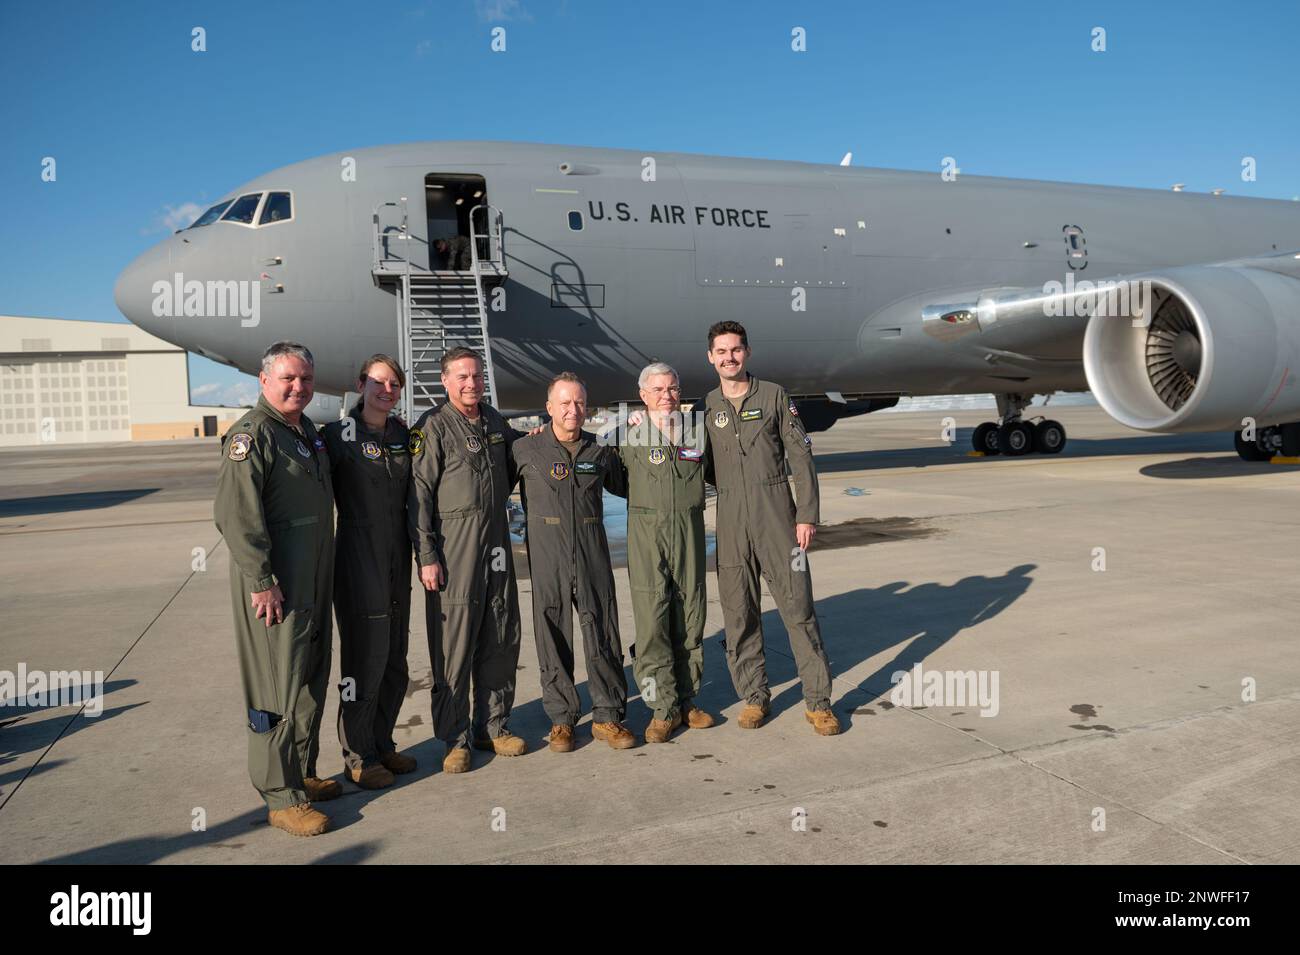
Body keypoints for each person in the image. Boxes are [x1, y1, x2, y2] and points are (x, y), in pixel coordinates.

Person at [214, 341, 338, 837]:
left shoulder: (305, 431)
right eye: (288, 378)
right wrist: (262, 581)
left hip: (313, 580)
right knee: (275, 687)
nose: (298, 387)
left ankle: (302, 774)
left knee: (309, 680)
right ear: (264, 381)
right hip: (276, 587)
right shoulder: (253, 435)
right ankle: (279, 795)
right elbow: (235, 517)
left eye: (305, 379)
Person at [702, 321, 840, 736]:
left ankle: (818, 702)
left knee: (798, 609)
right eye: (721, 352)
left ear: (747, 352)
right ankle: (754, 698)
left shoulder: (775, 396)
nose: (730, 358)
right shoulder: (706, 406)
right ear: (711, 357)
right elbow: (695, 461)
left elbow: (800, 456)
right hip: (730, 522)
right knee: (739, 613)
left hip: (778, 517)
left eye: (736, 350)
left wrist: (806, 515)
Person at [408, 347, 526, 773]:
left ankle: (492, 726)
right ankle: (454, 739)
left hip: (495, 543)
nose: (471, 384)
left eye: (476, 376)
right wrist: (426, 555)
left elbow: (522, 456)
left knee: (499, 633)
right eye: (462, 377)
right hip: (454, 547)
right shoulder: (433, 427)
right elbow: (419, 496)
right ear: (445, 381)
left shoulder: (494, 421)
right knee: (453, 646)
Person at [511, 373, 635, 752]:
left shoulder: (599, 450)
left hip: (591, 552)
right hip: (548, 554)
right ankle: (562, 719)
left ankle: (608, 714)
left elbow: (634, 485)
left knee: (602, 628)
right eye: (564, 403)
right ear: (548, 408)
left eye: (579, 402)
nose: (573, 410)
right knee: (552, 632)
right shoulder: (523, 450)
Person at [322, 355, 416, 791]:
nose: (387, 390)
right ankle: (357, 755)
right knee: (364, 661)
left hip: (398, 557)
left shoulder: (401, 433)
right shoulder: (337, 437)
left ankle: (382, 743)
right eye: (379, 382)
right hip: (359, 558)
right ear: (361, 384)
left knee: (395, 658)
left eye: (394, 383)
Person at [619, 363, 717, 743]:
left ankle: (687, 699)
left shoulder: (697, 434)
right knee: (652, 621)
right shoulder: (626, 437)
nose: (667, 396)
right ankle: (660, 708)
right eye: (658, 389)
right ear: (642, 395)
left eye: (673, 388)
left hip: (689, 533)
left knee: (691, 616)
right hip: (647, 537)